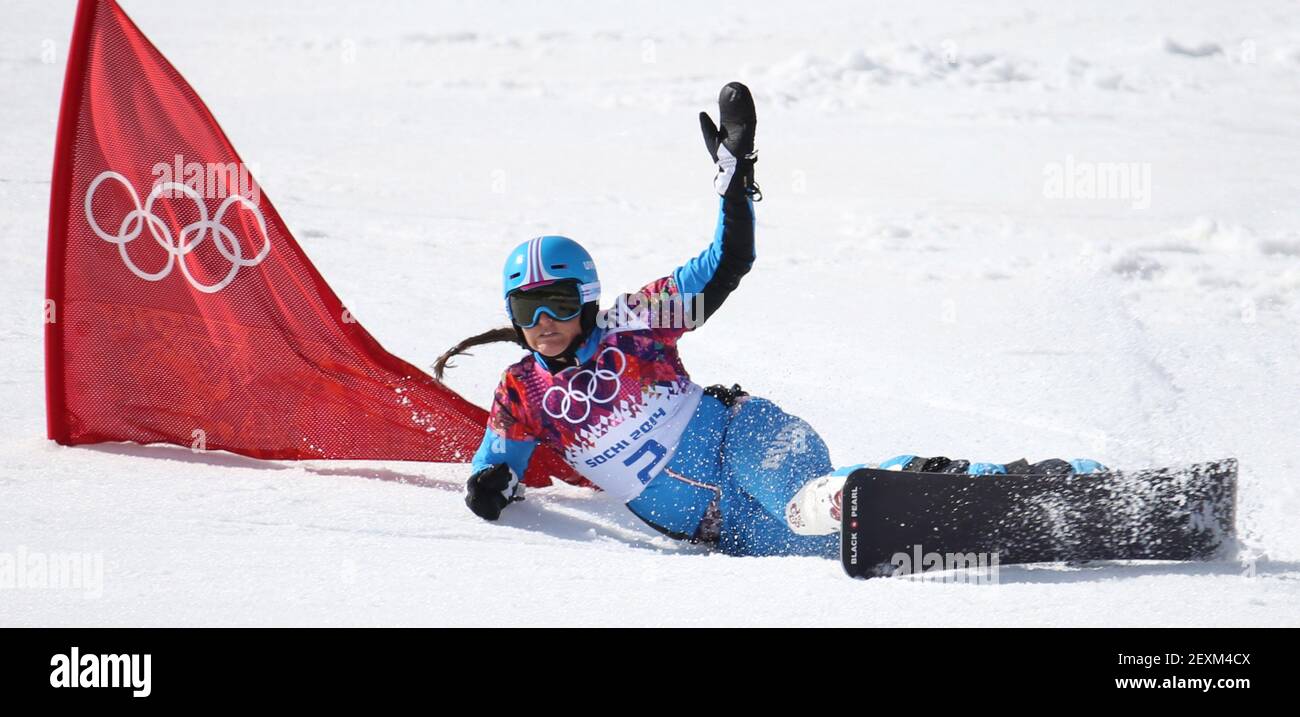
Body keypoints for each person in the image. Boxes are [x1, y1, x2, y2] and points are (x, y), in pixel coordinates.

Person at [435, 82, 1103, 558]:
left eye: (558, 303)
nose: (544, 321)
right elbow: (498, 466)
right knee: (851, 538)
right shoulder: (522, 393)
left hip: (743, 437)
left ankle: (1035, 481)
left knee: (819, 503)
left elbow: (727, 264)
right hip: (730, 534)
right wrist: (489, 485)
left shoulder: (633, 324)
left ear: (587, 300)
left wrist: (735, 185)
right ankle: (991, 516)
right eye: (528, 309)